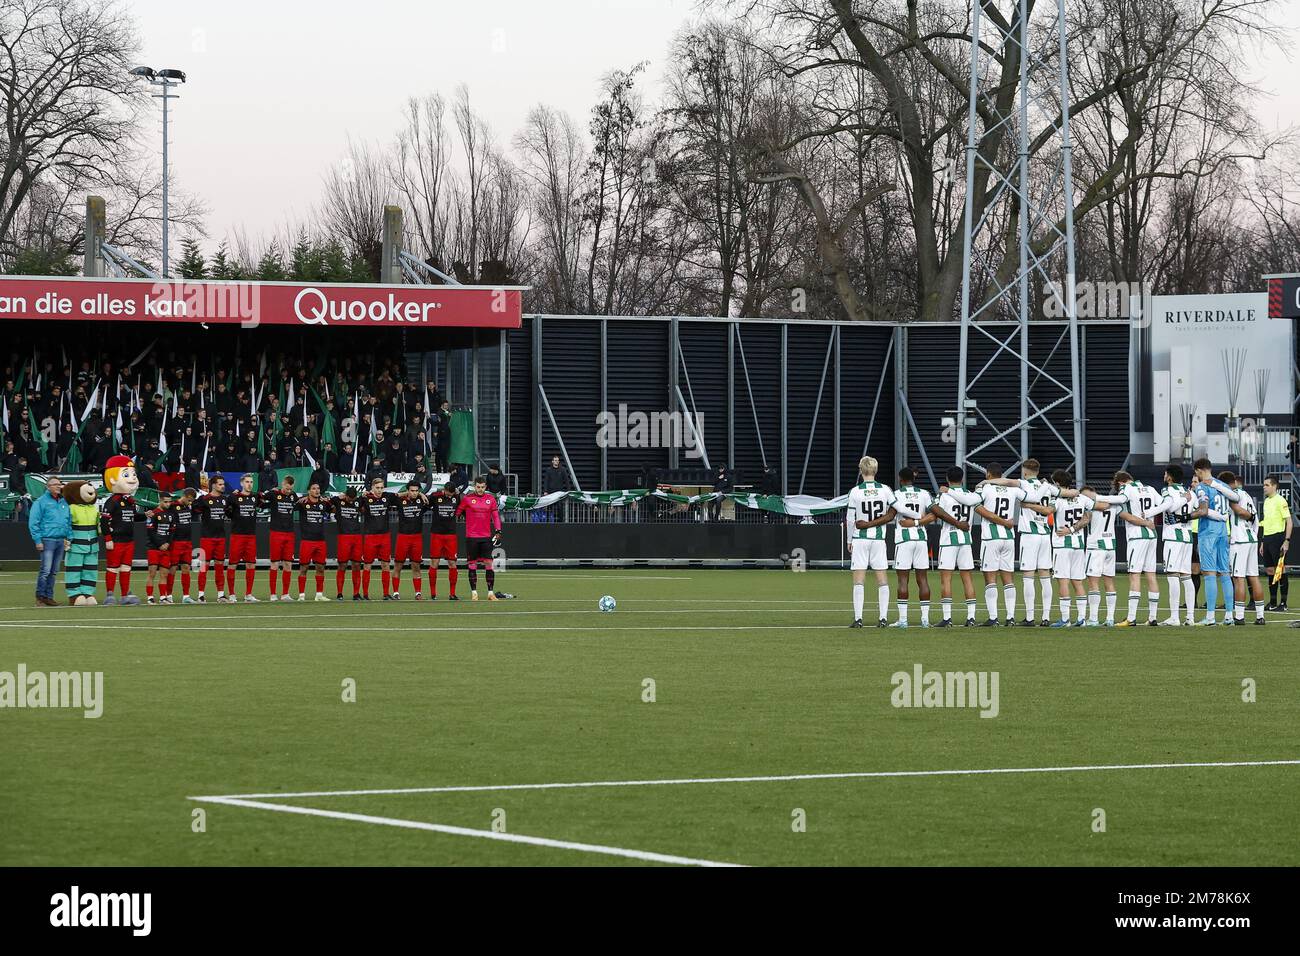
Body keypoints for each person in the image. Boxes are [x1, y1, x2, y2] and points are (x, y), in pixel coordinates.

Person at [845, 455, 920, 628]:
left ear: (861, 470)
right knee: (882, 579)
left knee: (858, 580)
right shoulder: (885, 489)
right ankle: (883, 618)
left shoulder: (855, 491)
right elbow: (899, 508)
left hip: (861, 538)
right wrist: (917, 515)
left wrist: (849, 539)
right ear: (875, 470)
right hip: (879, 539)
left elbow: (850, 519)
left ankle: (858, 619)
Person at [974, 463, 1024, 626]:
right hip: (1009, 538)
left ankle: (993, 617)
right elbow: (1029, 496)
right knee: (1008, 578)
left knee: (990, 578)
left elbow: (977, 507)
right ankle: (1010, 617)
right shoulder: (1012, 489)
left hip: (991, 538)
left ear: (988, 474)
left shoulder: (983, 488)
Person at [931, 467, 982, 627]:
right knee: (967, 578)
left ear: (947, 478)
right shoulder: (970, 495)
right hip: (966, 540)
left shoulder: (945, 495)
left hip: (948, 539)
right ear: (963, 478)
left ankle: (947, 618)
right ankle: (971, 618)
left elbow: (935, 511)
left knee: (946, 579)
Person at [1191, 458, 1235, 626]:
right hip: (1223, 532)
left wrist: (1189, 515)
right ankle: (1229, 616)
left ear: (1199, 470)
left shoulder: (1203, 487)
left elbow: (1203, 510)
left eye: (1196, 472)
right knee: (1224, 573)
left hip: (1208, 533)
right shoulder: (1221, 485)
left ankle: (1210, 617)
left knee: (1209, 574)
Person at [889, 467, 934, 628]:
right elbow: (933, 514)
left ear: (900, 479)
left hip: (904, 539)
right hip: (921, 538)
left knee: (903, 579)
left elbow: (891, 515)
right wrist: (918, 521)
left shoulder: (896, 494)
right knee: (922, 579)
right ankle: (925, 620)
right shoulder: (924, 493)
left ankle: (903, 620)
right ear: (913, 479)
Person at [1226, 472, 1266, 625]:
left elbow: (1241, 512)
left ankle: (1240, 616)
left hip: (1240, 540)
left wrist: (1245, 515)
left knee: (1238, 578)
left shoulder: (1234, 495)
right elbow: (1256, 519)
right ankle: (1260, 616)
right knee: (1254, 577)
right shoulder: (1248, 496)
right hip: (1251, 539)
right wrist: (1254, 536)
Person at [456, 476, 502, 601]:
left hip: (486, 537)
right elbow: (458, 512)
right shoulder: (467, 499)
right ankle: (474, 593)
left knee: (489, 564)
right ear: (474, 486)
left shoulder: (490, 499)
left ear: (485, 487)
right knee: (472, 564)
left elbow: (496, 517)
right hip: (472, 537)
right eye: (478, 487)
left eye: (482, 487)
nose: (480, 489)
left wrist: (498, 530)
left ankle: (490, 593)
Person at [28, 476, 70, 608]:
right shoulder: (40, 502)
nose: (58, 486)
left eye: (60, 484)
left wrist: (68, 537)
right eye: (55, 484)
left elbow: (68, 521)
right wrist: (37, 540)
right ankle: (40, 597)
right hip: (47, 540)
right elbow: (33, 522)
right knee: (45, 571)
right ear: (48, 487)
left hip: (60, 540)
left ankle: (49, 597)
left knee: (54, 571)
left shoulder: (64, 502)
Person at [99, 476, 141, 606]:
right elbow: (104, 521)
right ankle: (110, 594)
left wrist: (146, 515)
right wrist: (108, 538)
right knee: (112, 568)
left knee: (126, 568)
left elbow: (133, 517)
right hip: (116, 540)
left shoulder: (130, 501)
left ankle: (124, 595)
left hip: (129, 540)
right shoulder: (112, 501)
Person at [359, 476, 398, 600]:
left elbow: (401, 495)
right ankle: (365, 594)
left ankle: (386, 594)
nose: (379, 490)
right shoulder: (365, 498)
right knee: (367, 565)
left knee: (386, 565)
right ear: (372, 488)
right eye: (377, 488)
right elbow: (352, 502)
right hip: (370, 536)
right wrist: (362, 495)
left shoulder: (387, 496)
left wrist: (412, 493)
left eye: (381, 487)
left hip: (385, 536)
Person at [224, 473, 260, 602]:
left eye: (251, 482)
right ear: (241, 483)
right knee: (232, 564)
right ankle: (232, 594)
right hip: (237, 535)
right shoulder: (234, 497)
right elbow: (226, 510)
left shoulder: (255, 497)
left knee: (251, 565)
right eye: (247, 482)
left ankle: (248, 595)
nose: (249, 484)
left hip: (251, 536)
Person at [263, 476, 298, 602]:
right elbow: (261, 498)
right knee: (275, 563)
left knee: (288, 563)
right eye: (287, 487)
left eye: (290, 488)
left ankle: (285, 594)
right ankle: (273, 594)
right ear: (283, 484)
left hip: (289, 533)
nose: (288, 490)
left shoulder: (293, 496)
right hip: (276, 532)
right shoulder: (273, 494)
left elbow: (300, 504)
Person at [194, 474, 229, 604]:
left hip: (220, 537)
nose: (222, 486)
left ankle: (221, 595)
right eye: (220, 484)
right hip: (207, 537)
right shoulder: (204, 499)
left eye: (223, 484)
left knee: (220, 566)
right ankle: (201, 595)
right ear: (213, 485)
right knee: (204, 567)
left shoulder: (225, 500)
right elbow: (195, 508)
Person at [294, 482, 332, 602]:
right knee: (303, 568)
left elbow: (334, 509)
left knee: (320, 568)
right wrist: (299, 499)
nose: (317, 490)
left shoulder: (323, 503)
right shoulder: (302, 503)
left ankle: (319, 595)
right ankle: (301, 595)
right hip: (307, 541)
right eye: (314, 488)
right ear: (309, 491)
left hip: (320, 541)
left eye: (318, 488)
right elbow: (291, 504)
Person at [392, 481, 429, 600]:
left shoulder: (422, 501)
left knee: (416, 566)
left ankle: (418, 593)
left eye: (416, 491)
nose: (414, 493)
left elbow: (435, 498)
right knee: (398, 565)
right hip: (403, 537)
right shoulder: (400, 500)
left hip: (417, 537)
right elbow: (390, 496)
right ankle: (395, 592)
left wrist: (422, 495)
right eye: (412, 490)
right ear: (408, 490)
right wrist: (404, 493)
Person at [1260, 474, 1292, 611]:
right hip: (1267, 539)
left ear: (1274, 486)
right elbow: (1266, 523)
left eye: (1267, 485)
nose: (1264, 487)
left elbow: (1289, 522)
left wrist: (1287, 540)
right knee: (1270, 570)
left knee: (1280, 570)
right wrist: (1262, 542)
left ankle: (1283, 603)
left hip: (1278, 538)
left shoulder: (1281, 501)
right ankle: (1273, 602)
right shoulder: (1266, 501)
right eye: (1264, 485)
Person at [427, 481, 461, 600]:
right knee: (434, 563)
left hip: (451, 535)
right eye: (448, 493)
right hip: (436, 534)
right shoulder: (435, 496)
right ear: (444, 490)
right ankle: (433, 593)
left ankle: (452, 593)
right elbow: (426, 503)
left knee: (452, 563)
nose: (450, 496)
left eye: (452, 494)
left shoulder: (457, 497)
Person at [332, 486, 365, 601]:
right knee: (342, 565)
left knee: (356, 565)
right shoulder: (338, 501)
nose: (351, 501)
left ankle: (356, 593)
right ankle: (339, 593)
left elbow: (371, 496)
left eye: (353, 499)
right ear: (345, 495)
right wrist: (338, 496)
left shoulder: (359, 501)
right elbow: (327, 501)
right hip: (343, 536)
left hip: (356, 537)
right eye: (349, 499)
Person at [144, 492, 177, 605]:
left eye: (169, 502)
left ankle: (163, 597)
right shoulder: (153, 514)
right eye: (166, 502)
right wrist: (160, 544)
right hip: (154, 548)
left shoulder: (171, 514)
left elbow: (172, 531)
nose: (168, 504)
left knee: (164, 574)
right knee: (152, 573)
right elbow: (150, 532)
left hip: (166, 548)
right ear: (160, 501)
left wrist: (167, 543)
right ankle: (150, 597)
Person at [168, 487, 198, 604]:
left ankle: (186, 596)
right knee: (173, 568)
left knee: (186, 568)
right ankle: (168, 595)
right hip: (175, 542)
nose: (190, 503)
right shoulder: (173, 506)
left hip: (187, 542)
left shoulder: (188, 507)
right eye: (189, 500)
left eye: (191, 501)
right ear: (184, 496)